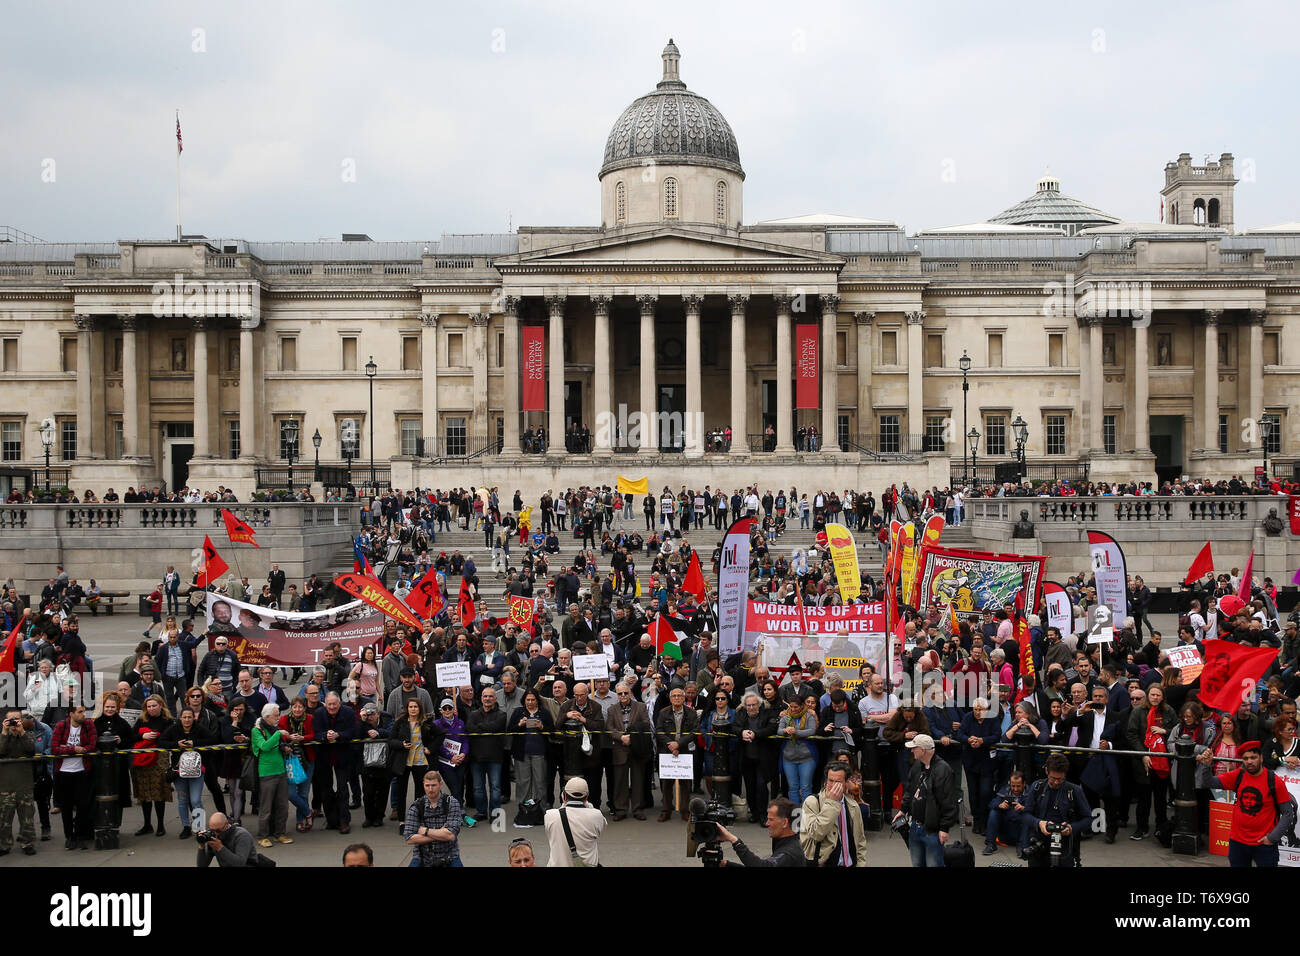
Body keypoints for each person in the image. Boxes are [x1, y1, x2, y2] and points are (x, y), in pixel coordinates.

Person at [1216, 739, 1296, 868]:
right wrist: (1204, 763)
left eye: (1253, 757)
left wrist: (1272, 838)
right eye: (1245, 758)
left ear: (1261, 758)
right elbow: (1206, 782)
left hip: (1264, 845)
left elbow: (1288, 813)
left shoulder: (1274, 781)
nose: (1249, 762)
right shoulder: (1238, 775)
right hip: (1238, 843)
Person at [894, 733, 959, 868]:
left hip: (933, 831)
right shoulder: (917, 766)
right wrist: (903, 810)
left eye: (914, 748)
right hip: (914, 827)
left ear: (923, 750)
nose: (911, 751)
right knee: (917, 864)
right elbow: (909, 791)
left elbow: (949, 802)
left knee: (934, 864)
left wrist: (944, 828)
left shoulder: (944, 770)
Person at [1022, 753, 1092, 868]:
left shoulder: (1075, 790)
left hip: (1065, 848)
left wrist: (1071, 828)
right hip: (1039, 845)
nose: (1056, 782)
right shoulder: (1037, 787)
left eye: (1060, 779)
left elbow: (1088, 819)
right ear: (1046, 771)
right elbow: (1025, 815)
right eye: (1053, 778)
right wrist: (1039, 823)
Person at [800, 761, 868, 866]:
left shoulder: (853, 806)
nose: (833, 785)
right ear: (826, 781)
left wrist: (861, 864)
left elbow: (860, 842)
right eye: (830, 780)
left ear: (846, 783)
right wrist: (832, 803)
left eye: (838, 781)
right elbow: (816, 834)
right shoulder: (812, 802)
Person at [50, 703, 97, 850]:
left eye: (84, 711)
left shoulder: (88, 725)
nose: (83, 714)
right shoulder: (61, 726)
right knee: (66, 806)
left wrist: (67, 748)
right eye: (80, 712)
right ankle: (69, 836)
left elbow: (92, 745)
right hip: (63, 772)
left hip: (82, 771)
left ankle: (80, 835)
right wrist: (75, 749)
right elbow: (54, 748)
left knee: (83, 806)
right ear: (71, 714)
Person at [715, 796, 805, 867]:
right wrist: (727, 864)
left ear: (784, 822)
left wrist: (734, 841)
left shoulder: (789, 853)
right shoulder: (785, 841)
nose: (767, 823)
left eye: (771, 820)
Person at [313, 692, 358, 834]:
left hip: (343, 756)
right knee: (326, 790)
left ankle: (344, 821)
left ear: (339, 703)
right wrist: (324, 736)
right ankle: (332, 820)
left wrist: (339, 735)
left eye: (334, 704)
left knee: (343, 789)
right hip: (324, 757)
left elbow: (353, 731)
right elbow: (315, 733)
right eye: (329, 704)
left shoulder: (348, 712)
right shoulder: (319, 713)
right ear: (325, 704)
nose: (332, 707)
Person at [251, 703, 294, 849]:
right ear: (267, 717)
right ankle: (263, 836)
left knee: (282, 805)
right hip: (266, 773)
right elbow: (265, 746)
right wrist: (278, 734)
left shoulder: (274, 729)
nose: (278, 718)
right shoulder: (257, 731)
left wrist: (285, 747)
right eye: (276, 715)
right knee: (266, 807)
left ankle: (280, 833)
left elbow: (277, 745)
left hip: (280, 771)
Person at [131, 694, 174, 836]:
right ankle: (147, 824)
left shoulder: (167, 721)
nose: (151, 709)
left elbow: (168, 738)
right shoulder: (142, 720)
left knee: (158, 792)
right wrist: (143, 736)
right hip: (142, 759)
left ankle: (161, 825)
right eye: (148, 706)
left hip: (159, 760)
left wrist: (155, 737)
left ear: (161, 705)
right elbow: (131, 737)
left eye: (154, 706)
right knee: (144, 793)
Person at [654, 687, 700, 821]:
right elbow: (659, 731)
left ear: (684, 698)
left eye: (679, 696)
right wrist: (671, 744)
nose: (677, 698)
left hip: (685, 751)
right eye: (674, 696)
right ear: (670, 698)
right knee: (666, 783)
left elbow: (695, 732)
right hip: (667, 751)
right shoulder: (663, 713)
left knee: (686, 784)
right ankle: (666, 810)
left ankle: (685, 810)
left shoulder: (691, 713)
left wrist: (679, 744)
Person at [402, 770, 463, 867]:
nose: (430, 789)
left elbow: (451, 836)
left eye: (434, 785)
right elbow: (409, 839)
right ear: (423, 785)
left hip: (449, 856)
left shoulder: (452, 803)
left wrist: (425, 831)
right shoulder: (417, 806)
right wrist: (440, 833)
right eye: (427, 785)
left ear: (440, 784)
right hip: (422, 856)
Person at [543, 775, 607, 867]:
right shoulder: (596, 816)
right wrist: (586, 803)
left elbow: (561, 812)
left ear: (564, 796)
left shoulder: (550, 816)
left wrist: (564, 803)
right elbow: (602, 827)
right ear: (586, 797)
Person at [467, 687, 508, 823]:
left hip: (495, 757)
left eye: (490, 696)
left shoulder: (502, 715)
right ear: (481, 698)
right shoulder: (473, 714)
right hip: (476, 757)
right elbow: (470, 728)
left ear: (495, 699)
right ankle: (481, 812)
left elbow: (496, 726)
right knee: (478, 788)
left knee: (495, 788)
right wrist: (487, 728)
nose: (487, 699)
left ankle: (495, 813)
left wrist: (480, 728)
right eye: (485, 696)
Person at [509, 689, 554, 814]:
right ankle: (523, 809)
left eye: (532, 699)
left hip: (540, 753)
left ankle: (542, 809)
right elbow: (509, 730)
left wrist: (542, 727)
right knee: (523, 782)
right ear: (524, 700)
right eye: (527, 700)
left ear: (537, 700)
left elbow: (552, 731)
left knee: (540, 782)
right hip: (522, 754)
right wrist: (519, 724)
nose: (530, 702)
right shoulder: (518, 712)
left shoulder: (544, 713)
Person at [0, 707, 37, 856]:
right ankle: (4, 845)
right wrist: (4, 732)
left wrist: (21, 732)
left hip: (24, 784)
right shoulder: (2, 736)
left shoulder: (28, 735)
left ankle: (27, 843)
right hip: (5, 785)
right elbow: (1, 750)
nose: (14, 722)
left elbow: (31, 749)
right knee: (4, 819)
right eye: (11, 719)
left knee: (27, 817)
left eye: (17, 719)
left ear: (22, 720)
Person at [778, 696, 819, 806]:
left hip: (807, 758)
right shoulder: (786, 717)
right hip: (789, 758)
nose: (793, 709)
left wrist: (796, 732)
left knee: (806, 786)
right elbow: (779, 730)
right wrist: (786, 730)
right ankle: (795, 814)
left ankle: (807, 814)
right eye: (791, 707)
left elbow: (812, 730)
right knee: (792, 787)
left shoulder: (809, 716)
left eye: (796, 707)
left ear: (802, 706)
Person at [983, 769, 1030, 857]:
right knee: (994, 812)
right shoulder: (1005, 790)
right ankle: (991, 844)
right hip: (1006, 829)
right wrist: (1000, 805)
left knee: (1028, 816)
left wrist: (1024, 808)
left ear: (1024, 784)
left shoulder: (1031, 793)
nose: (1015, 789)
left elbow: (1038, 810)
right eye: (1013, 786)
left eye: (1018, 786)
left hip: (1021, 831)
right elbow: (991, 804)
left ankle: (1022, 846)